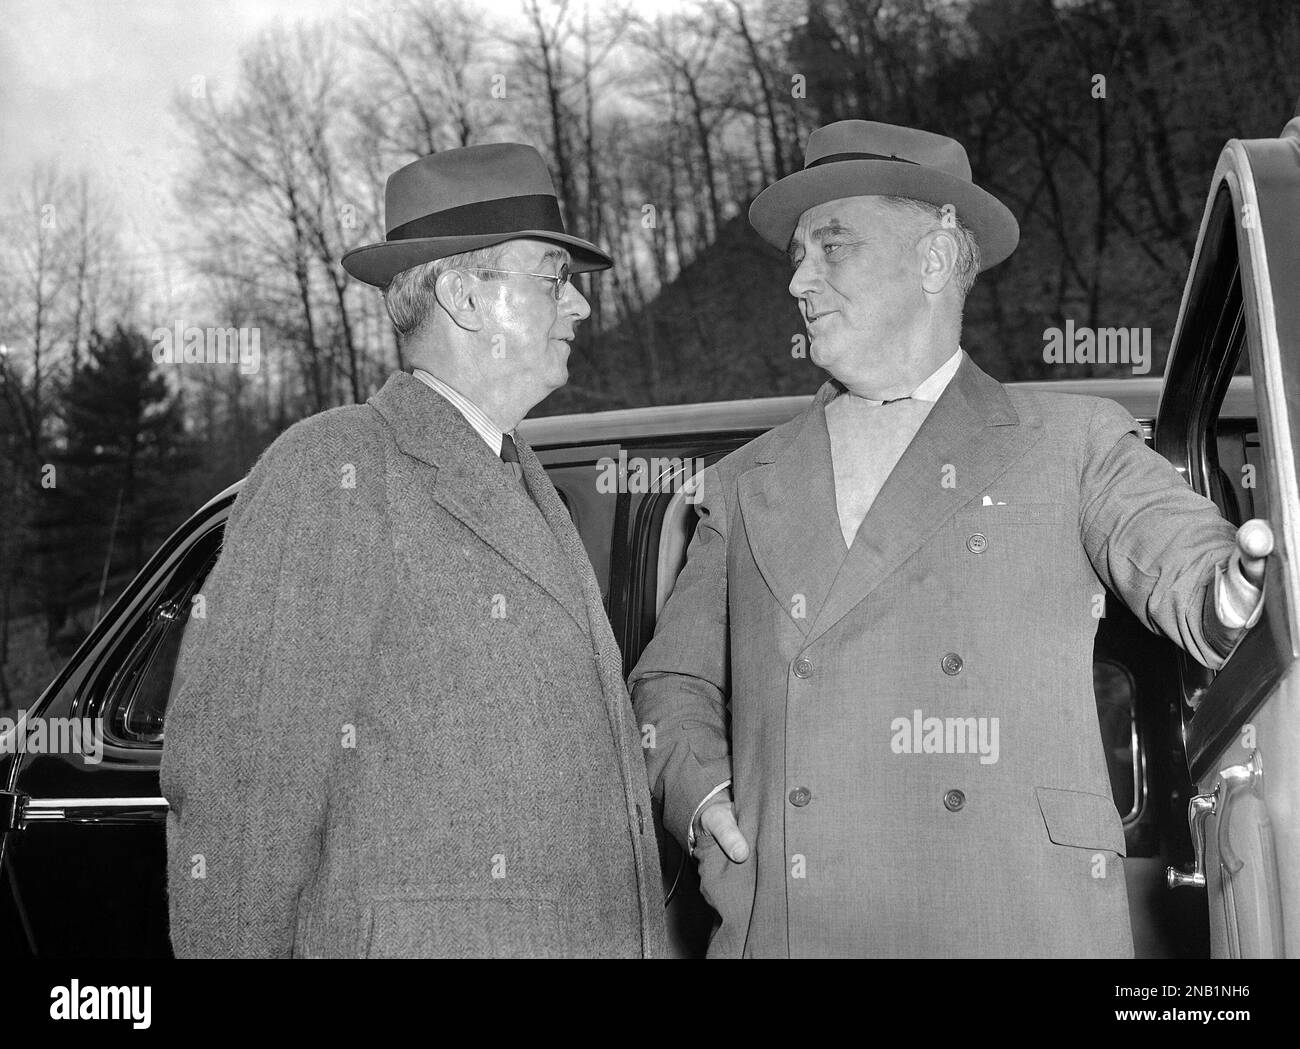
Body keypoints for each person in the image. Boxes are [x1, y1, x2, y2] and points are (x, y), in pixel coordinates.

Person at [630, 119, 1270, 958]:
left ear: (933, 258)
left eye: (832, 247)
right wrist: (708, 798)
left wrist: (1224, 589)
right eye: (796, 256)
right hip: (796, 926)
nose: (799, 280)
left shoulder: (1067, 439)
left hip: (1007, 917)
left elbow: (1169, 544)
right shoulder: (744, 483)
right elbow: (668, 681)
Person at [163, 143, 664, 958]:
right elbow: (243, 801)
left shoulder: (525, 479)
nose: (578, 307)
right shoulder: (338, 468)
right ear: (467, 296)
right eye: (551, 276)